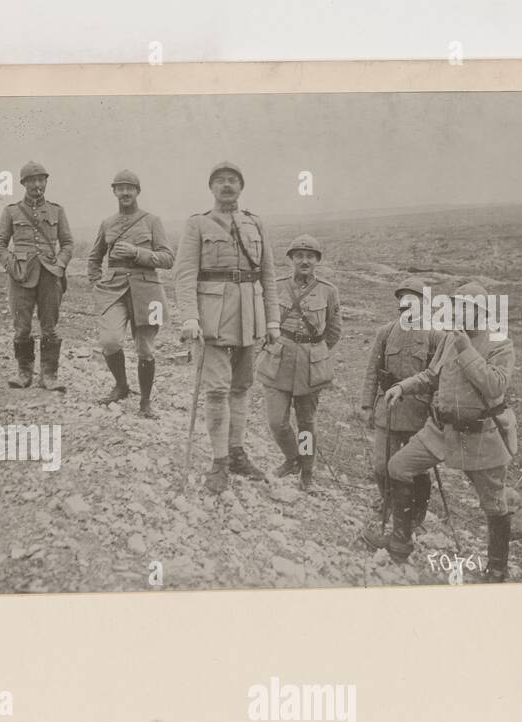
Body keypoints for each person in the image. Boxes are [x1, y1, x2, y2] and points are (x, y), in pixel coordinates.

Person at [367, 282, 520, 582]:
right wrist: (403, 386)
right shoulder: (451, 339)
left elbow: (495, 386)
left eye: (466, 306)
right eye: (457, 306)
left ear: (483, 312)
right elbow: (431, 376)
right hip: (439, 429)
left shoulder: (500, 343)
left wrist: (466, 350)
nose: (459, 312)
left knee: (494, 501)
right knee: (397, 466)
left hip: (479, 436)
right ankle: (400, 543)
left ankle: (497, 567)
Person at [174, 161, 279, 492]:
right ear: (211, 187)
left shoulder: (256, 224)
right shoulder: (197, 224)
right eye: (220, 181)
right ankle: (219, 462)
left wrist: (273, 319)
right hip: (212, 319)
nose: (226, 185)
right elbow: (185, 274)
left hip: (250, 319)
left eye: (232, 180)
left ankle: (236, 453)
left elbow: (268, 276)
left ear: (241, 186)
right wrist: (190, 316)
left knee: (242, 387)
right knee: (217, 390)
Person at [358, 276, 441, 541]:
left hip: (419, 414)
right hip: (389, 411)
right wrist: (366, 405)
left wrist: (437, 413)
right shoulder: (385, 332)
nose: (408, 305)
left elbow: (439, 378)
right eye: (403, 299)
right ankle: (391, 502)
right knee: (382, 467)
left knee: (416, 469)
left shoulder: (434, 336)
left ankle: (415, 514)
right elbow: (372, 371)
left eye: (414, 299)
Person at [257, 233, 342, 491]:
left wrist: (314, 351)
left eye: (310, 256)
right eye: (299, 256)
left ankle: (307, 473)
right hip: (278, 359)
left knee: (306, 423)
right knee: (276, 421)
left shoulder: (328, 291)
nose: (304, 261)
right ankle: (292, 458)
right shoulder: (277, 285)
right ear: (291, 259)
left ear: (317, 261)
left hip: (310, 363)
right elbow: (264, 318)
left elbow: (334, 331)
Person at [87, 169, 175, 417]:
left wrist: (138, 253)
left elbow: (168, 258)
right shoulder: (107, 223)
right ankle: (121, 385)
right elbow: (94, 258)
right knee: (110, 341)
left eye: (130, 188)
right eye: (120, 188)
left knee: (145, 348)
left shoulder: (152, 221)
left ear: (137, 191)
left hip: (148, 290)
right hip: (113, 290)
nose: (125, 192)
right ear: (114, 191)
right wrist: (96, 286)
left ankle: (145, 402)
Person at [0, 160, 74, 391]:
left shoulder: (57, 210)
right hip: (21, 276)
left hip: (50, 276)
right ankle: (24, 373)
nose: (37, 184)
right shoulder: (11, 211)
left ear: (46, 182)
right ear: (23, 184)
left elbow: (67, 243)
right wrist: (12, 264)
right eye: (32, 181)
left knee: (50, 327)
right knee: (22, 327)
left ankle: (49, 376)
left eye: (41, 180)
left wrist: (60, 264)